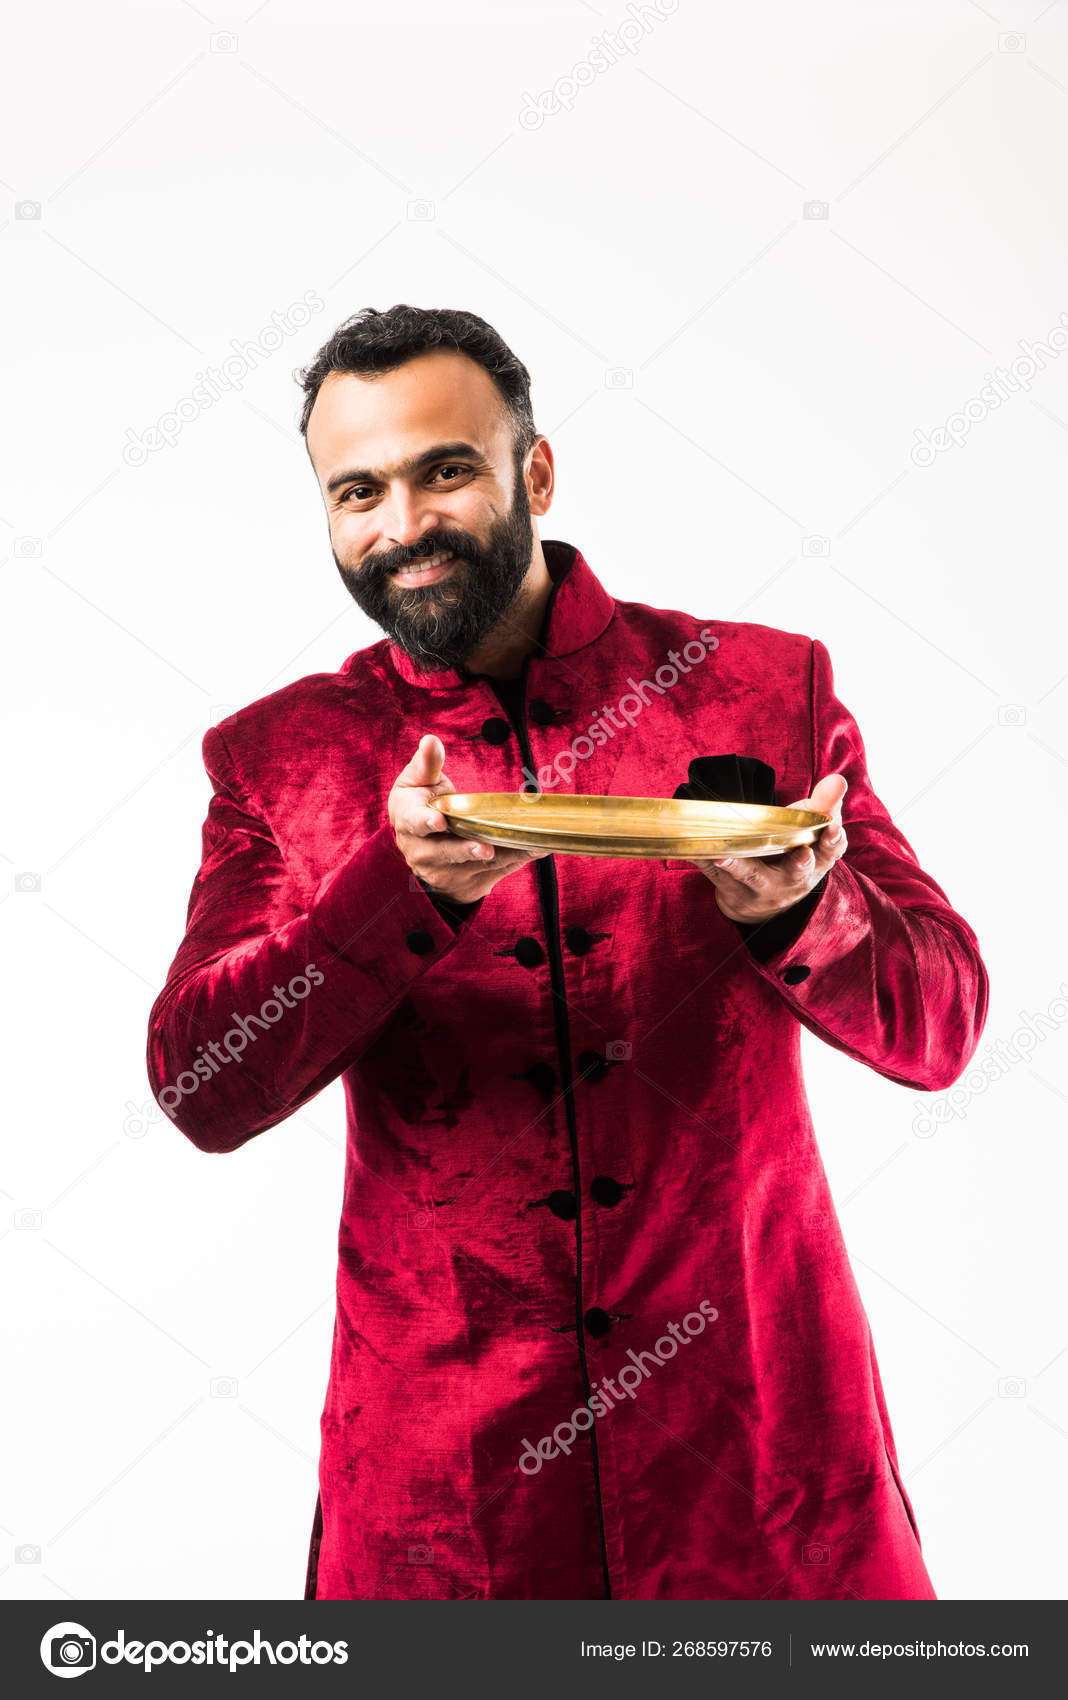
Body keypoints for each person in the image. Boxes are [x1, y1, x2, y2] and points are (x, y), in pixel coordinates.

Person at [146, 304, 989, 1600]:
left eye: (445, 469)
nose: (404, 525)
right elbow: (205, 1087)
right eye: (356, 491)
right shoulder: (280, 758)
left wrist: (797, 913)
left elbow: (942, 1026)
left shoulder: (763, 689)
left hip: (765, 1485)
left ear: (534, 470)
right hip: (442, 1517)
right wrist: (394, 893)